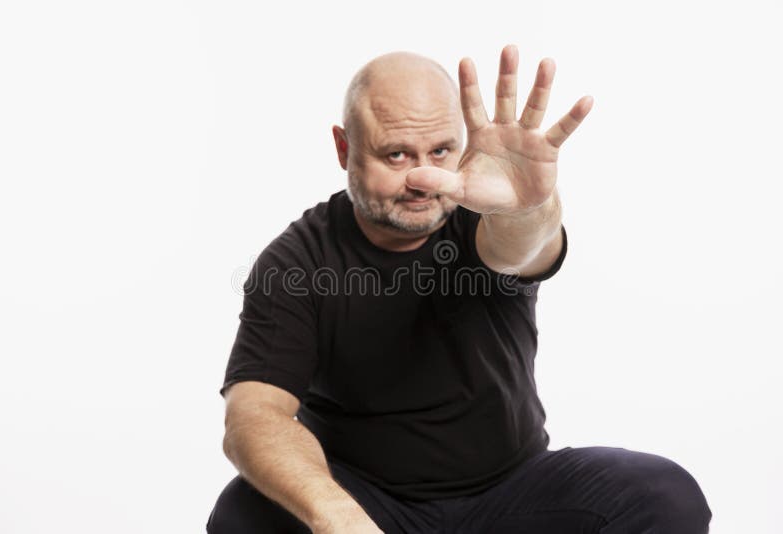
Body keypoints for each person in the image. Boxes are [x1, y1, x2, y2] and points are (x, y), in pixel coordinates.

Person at [206, 45, 712, 533]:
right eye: (397, 154)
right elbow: (255, 414)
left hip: (513, 493)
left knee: (663, 495)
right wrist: (335, 516)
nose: (423, 178)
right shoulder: (296, 261)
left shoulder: (481, 216)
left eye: (442, 151)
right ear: (344, 148)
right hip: (367, 504)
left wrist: (526, 207)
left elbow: (523, 247)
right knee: (244, 514)